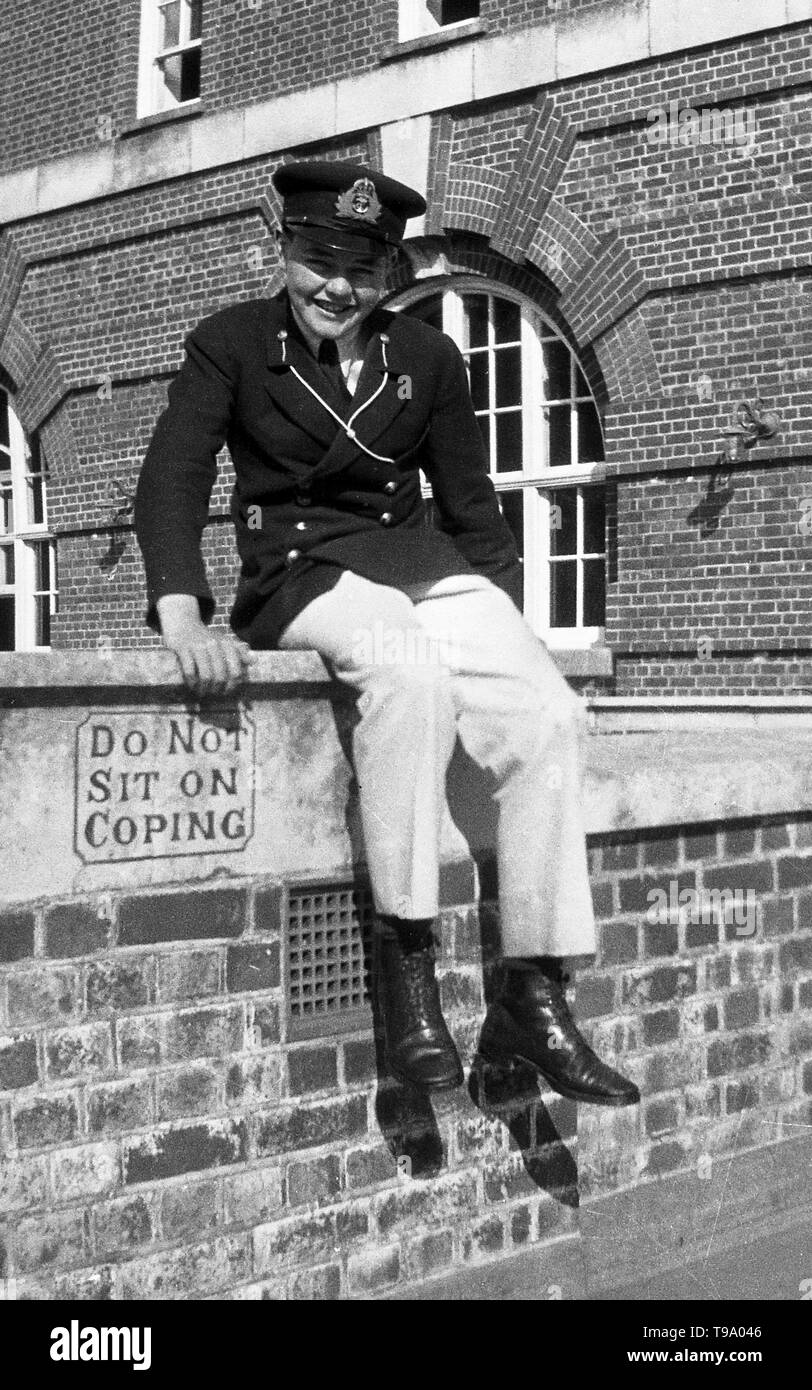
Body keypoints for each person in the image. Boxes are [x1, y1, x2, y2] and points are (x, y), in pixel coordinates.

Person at [135, 159, 639, 1107]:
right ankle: (409, 977)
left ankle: (534, 990)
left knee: (547, 715)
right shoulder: (233, 344)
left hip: (415, 561)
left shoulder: (426, 358)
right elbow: (173, 476)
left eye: (363, 270)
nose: (337, 287)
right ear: (283, 252)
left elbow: (470, 506)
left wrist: (511, 634)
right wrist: (180, 610)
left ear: (390, 273)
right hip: (299, 569)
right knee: (407, 677)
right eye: (318, 259)